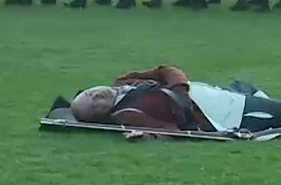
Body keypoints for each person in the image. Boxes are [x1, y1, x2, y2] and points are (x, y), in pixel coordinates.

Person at [70, 65, 281, 136]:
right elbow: (169, 130)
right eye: (94, 104)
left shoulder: (123, 81)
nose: (96, 96)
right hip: (222, 113)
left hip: (209, 93)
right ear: (101, 116)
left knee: (243, 84)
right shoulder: (127, 114)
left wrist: (179, 90)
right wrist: (148, 137)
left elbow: (166, 70)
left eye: (90, 93)